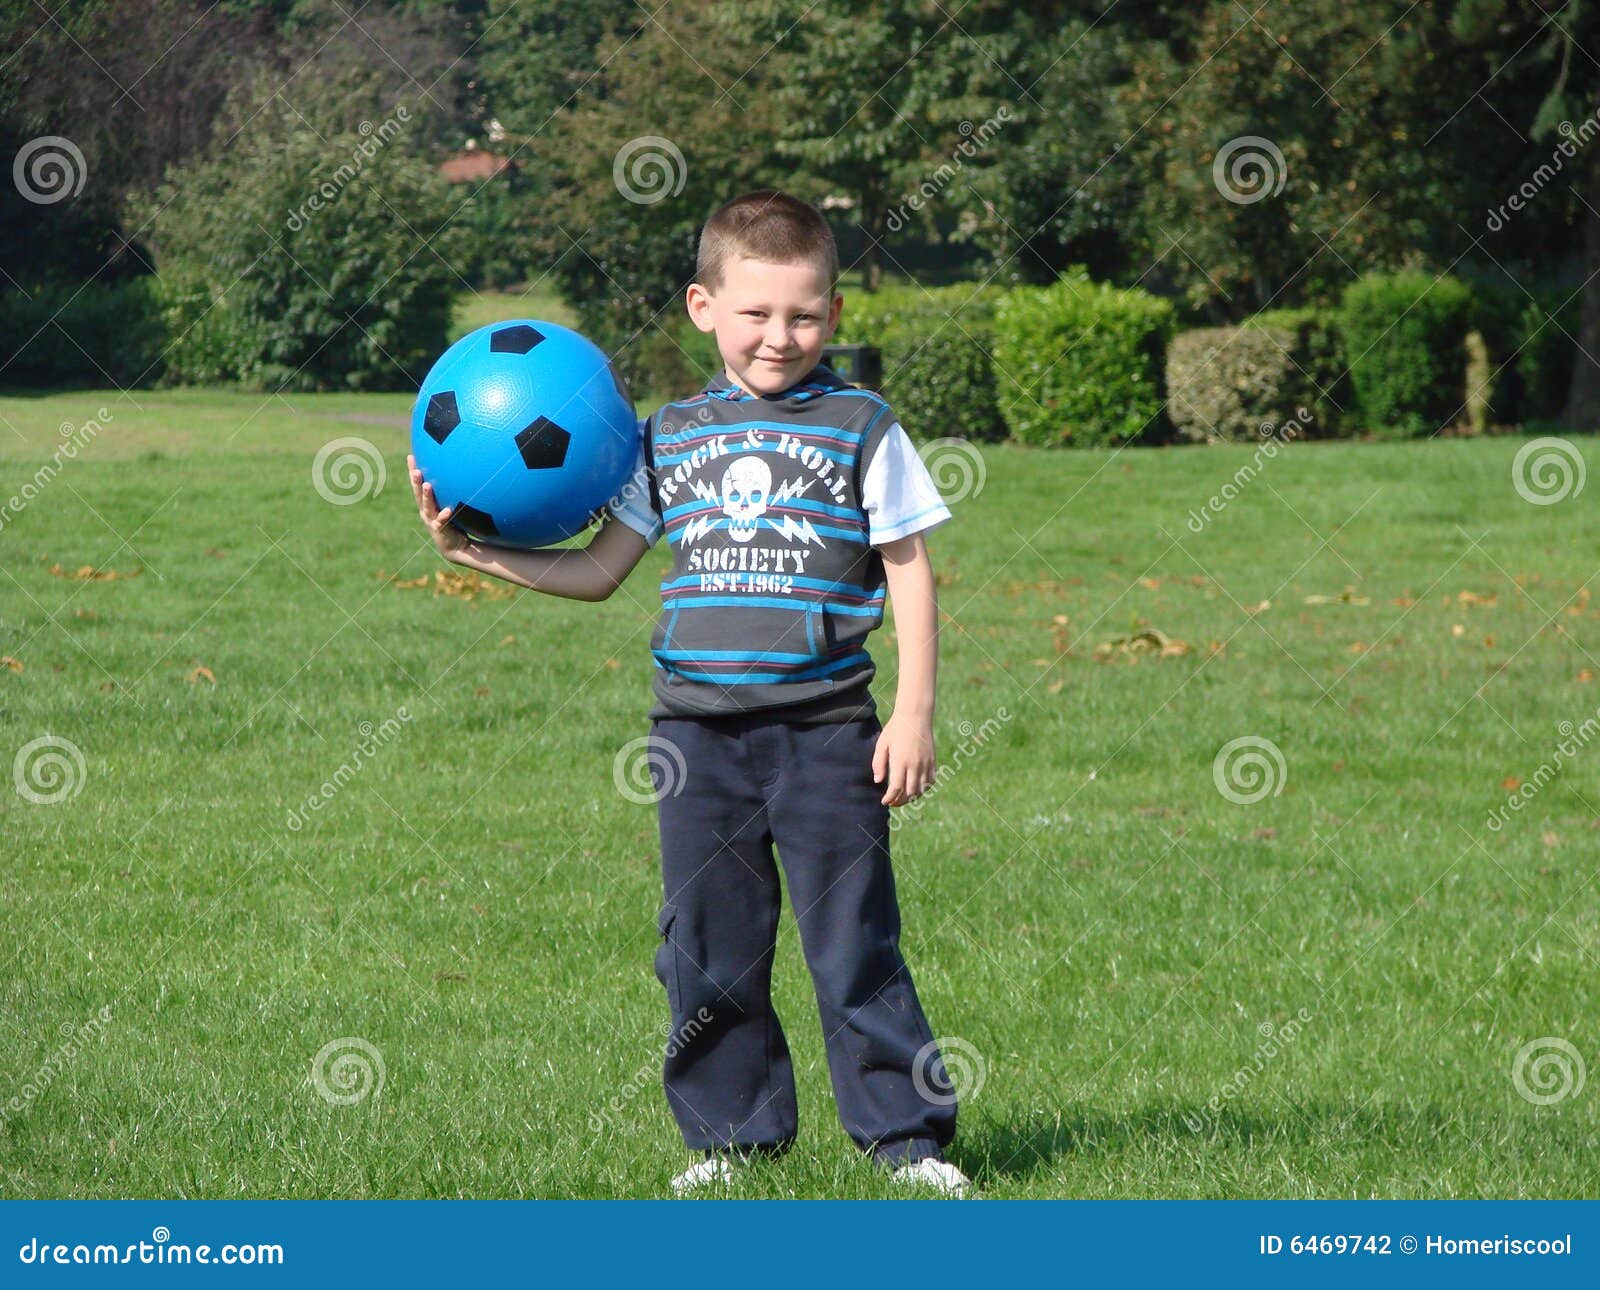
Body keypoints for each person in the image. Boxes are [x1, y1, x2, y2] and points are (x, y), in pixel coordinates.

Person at [408, 189, 970, 1196]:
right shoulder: (664, 438)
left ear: (833, 316)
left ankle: (908, 1144)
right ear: (703, 307)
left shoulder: (860, 425)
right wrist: (470, 551)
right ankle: (730, 1142)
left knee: (854, 941)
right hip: (696, 739)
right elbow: (596, 570)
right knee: (706, 952)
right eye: (754, 313)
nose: (779, 337)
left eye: (803, 315)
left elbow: (909, 565)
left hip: (828, 733)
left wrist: (916, 713)